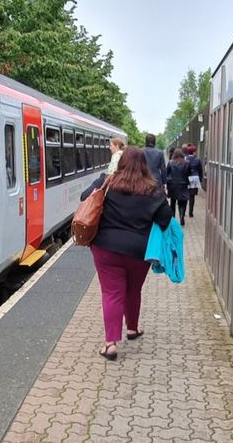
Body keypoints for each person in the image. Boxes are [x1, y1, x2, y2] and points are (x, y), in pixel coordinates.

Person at [80, 147, 172, 361]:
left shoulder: (108, 182)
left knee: (112, 293)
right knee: (133, 290)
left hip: (106, 249)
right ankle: (132, 329)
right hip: (139, 252)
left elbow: (85, 197)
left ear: (121, 162)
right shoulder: (154, 189)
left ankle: (110, 344)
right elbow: (165, 219)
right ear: (145, 165)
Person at [166, 148, 191, 226]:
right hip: (183, 185)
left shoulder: (170, 163)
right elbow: (189, 173)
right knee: (182, 202)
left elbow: (167, 174)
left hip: (172, 185)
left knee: (172, 202)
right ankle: (182, 216)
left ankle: (173, 218)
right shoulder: (187, 163)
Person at [185, 144, 203, 217]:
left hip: (186, 178)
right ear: (193, 152)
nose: (196, 152)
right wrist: (200, 180)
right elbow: (200, 171)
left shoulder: (185, 159)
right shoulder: (197, 160)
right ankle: (190, 212)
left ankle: (184, 212)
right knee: (192, 196)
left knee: (185, 195)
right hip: (195, 179)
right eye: (195, 151)